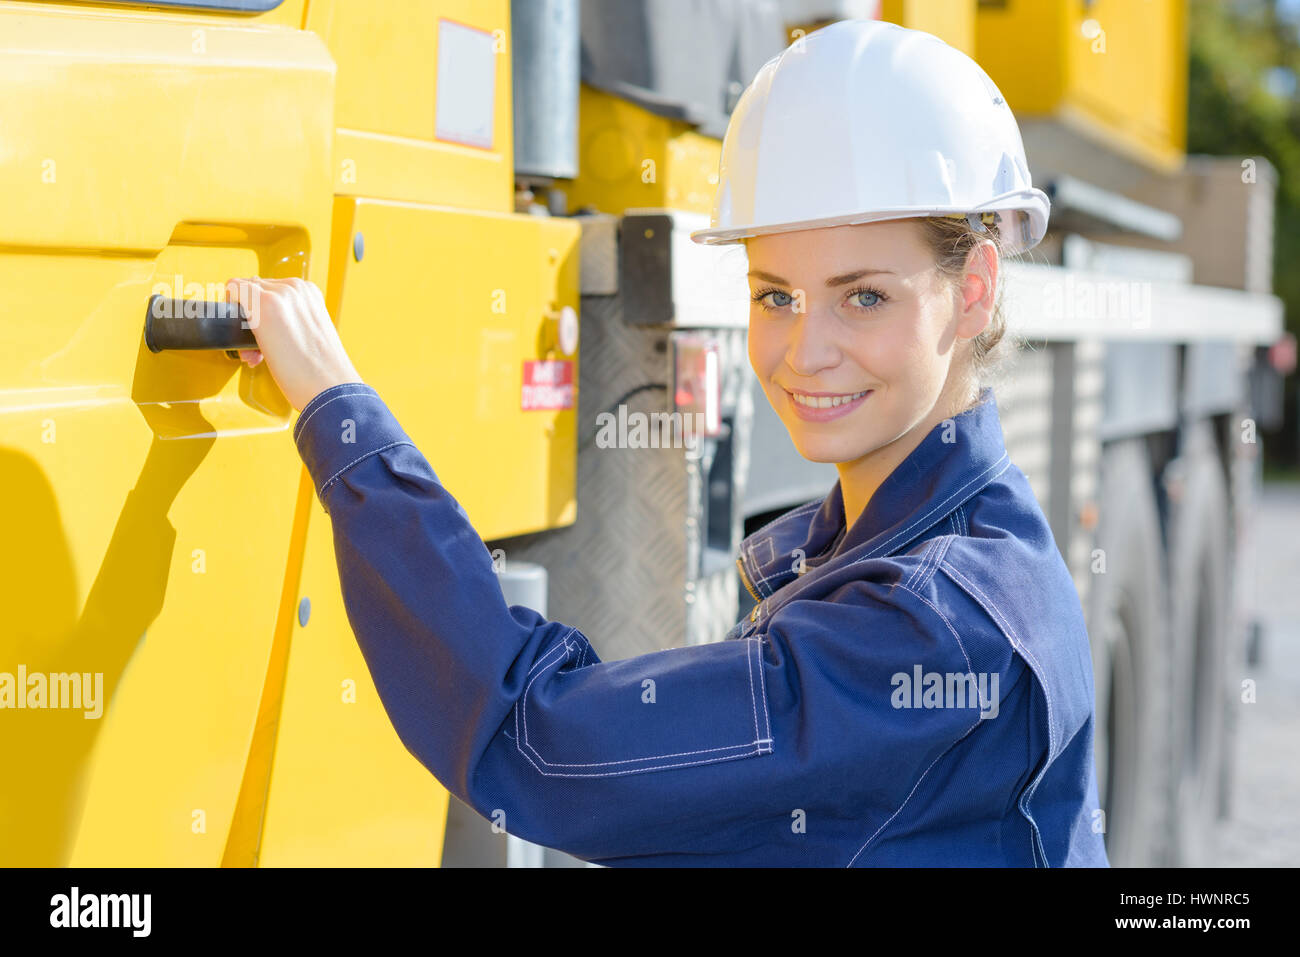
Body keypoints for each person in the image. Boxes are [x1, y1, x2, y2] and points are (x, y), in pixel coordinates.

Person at [228, 18, 1109, 866]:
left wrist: (340, 416)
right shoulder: (935, 546)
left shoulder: (929, 627)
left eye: (864, 295)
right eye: (775, 296)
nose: (806, 349)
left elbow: (531, 741)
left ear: (976, 289)